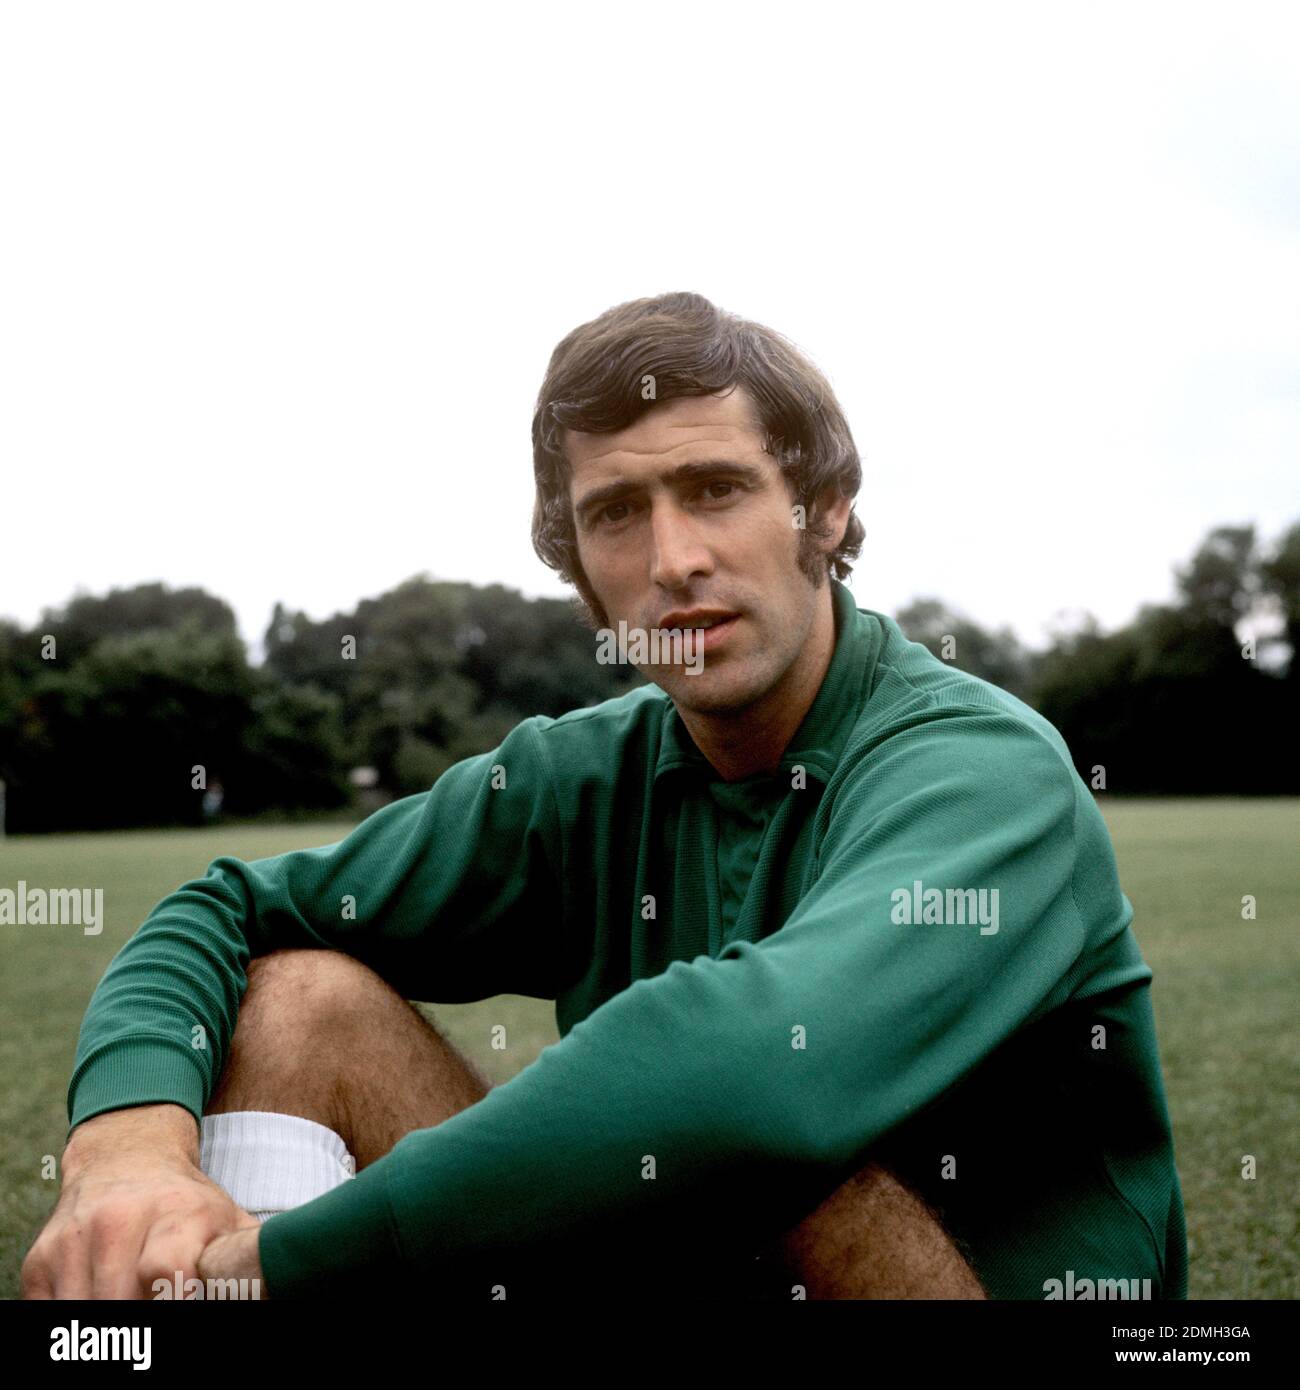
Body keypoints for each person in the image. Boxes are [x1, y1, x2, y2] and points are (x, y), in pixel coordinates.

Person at [22, 292, 1187, 1301]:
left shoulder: (982, 769)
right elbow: (225, 906)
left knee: (741, 1141)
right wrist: (124, 1147)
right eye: (615, 513)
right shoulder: (578, 773)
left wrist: (288, 1264)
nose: (672, 557)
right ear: (576, 565)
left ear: (822, 513)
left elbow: (750, 1082)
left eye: (718, 488)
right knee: (299, 1001)